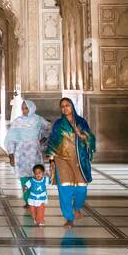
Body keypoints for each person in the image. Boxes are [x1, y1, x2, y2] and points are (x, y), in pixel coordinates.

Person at [44, 97, 97, 227]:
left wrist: (80, 134)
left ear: (72, 106)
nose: (65, 108)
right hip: (61, 160)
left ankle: (77, 206)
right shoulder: (58, 124)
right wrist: (51, 160)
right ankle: (69, 218)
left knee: (81, 189)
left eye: (67, 105)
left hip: (79, 159)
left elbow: (90, 138)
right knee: (64, 189)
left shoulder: (81, 122)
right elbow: (53, 141)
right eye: (62, 106)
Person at [4, 99, 49, 210]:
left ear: (32, 108)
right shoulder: (17, 121)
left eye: (26, 108)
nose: (24, 110)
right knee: (24, 177)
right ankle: (28, 200)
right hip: (21, 153)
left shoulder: (38, 119)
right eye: (23, 108)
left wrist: (42, 140)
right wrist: (11, 155)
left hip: (34, 153)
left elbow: (49, 129)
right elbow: (11, 138)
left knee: (36, 175)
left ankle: (37, 199)